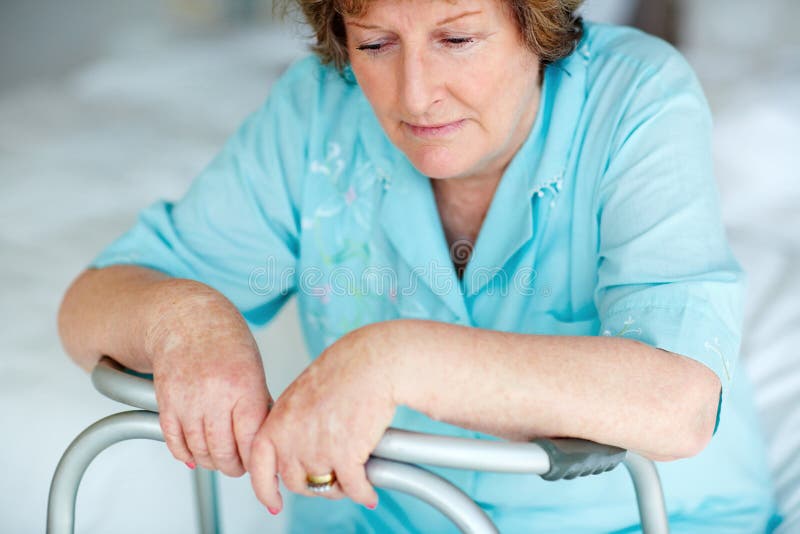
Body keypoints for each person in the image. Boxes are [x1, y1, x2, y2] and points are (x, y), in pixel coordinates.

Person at [57, 0, 782, 531]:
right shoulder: (317, 112)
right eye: (375, 44)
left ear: (538, 25)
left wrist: (395, 361)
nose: (414, 95)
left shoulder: (636, 97)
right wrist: (186, 321)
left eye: (458, 38)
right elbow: (95, 303)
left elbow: (678, 404)